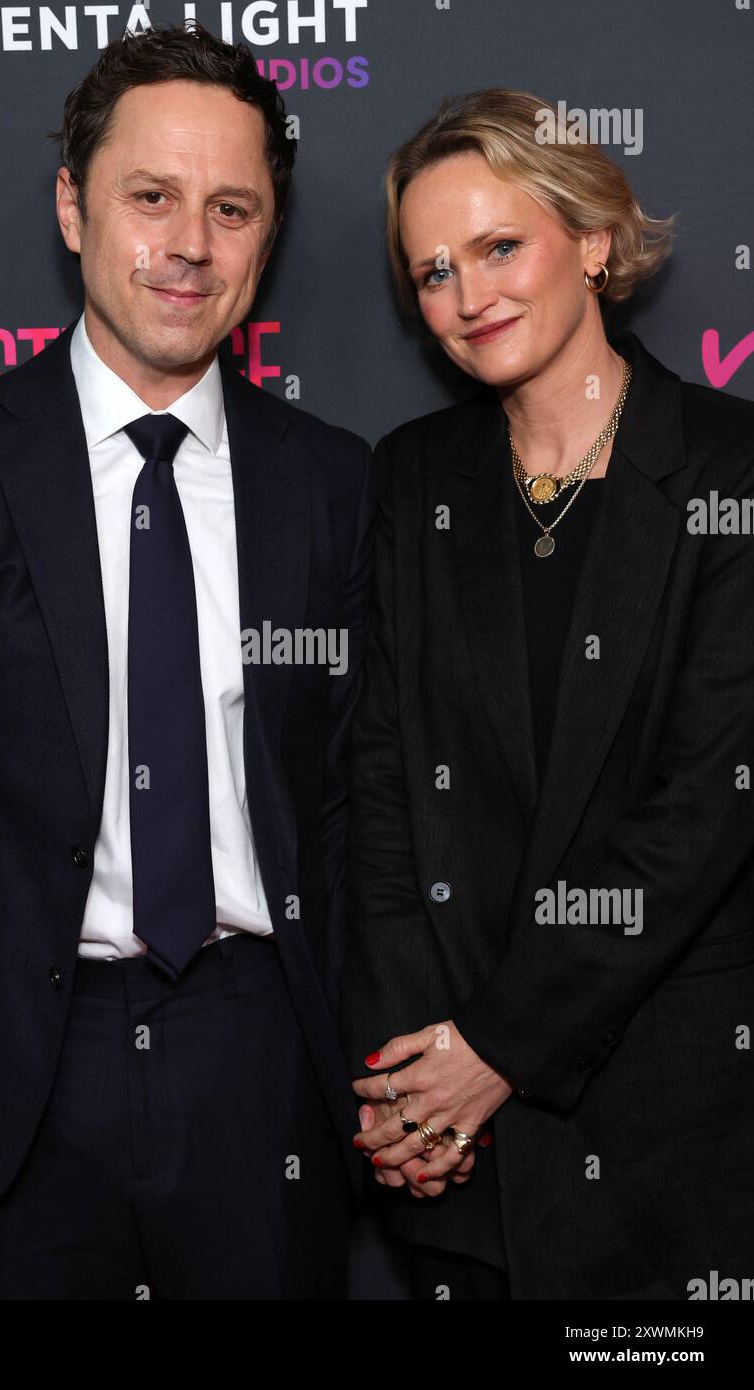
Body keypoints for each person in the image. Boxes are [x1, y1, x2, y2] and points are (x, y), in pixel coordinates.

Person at [0, 24, 374, 1300]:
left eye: (230, 208)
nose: (188, 243)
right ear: (74, 207)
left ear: (265, 236)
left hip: (263, 1059)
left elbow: (366, 806)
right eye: (151, 196)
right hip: (14, 1063)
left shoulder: (333, 483)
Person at [341, 87, 754, 1300]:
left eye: (498, 246)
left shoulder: (728, 472)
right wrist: (405, 1091)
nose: (467, 297)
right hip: (457, 1150)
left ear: (589, 238)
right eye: (430, 271)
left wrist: (494, 1052)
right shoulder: (412, 477)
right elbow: (380, 791)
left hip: (667, 1137)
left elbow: (701, 817)